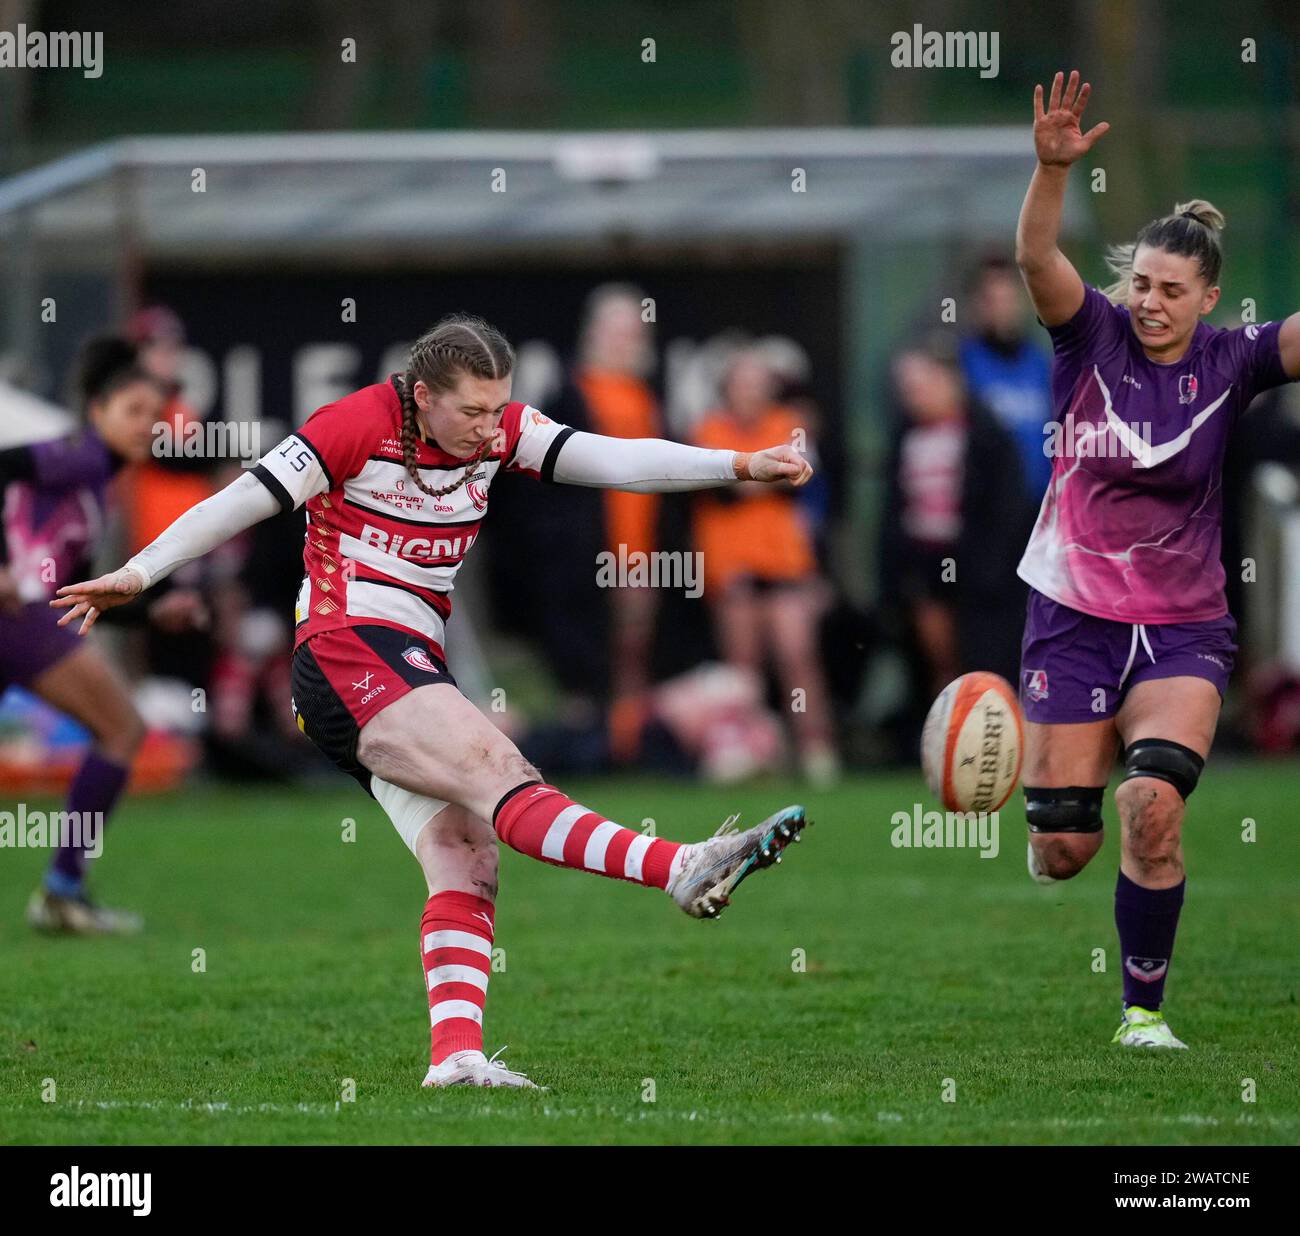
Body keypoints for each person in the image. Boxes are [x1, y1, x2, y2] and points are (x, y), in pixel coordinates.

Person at [53, 315, 816, 1090]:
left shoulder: (497, 432)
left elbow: (618, 459)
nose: (491, 429)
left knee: (465, 850)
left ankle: (455, 1058)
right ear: (422, 396)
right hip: (346, 647)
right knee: (497, 764)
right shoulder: (355, 424)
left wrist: (743, 465)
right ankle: (680, 866)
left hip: (408, 660)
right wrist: (139, 574)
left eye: (500, 410)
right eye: (473, 412)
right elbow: (242, 501)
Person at [1014, 71, 1300, 1048]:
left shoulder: (1232, 360)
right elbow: (1035, 253)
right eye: (1138, 281)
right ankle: (1050, 824)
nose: (1148, 301)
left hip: (1183, 629)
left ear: (1208, 297)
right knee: (1062, 847)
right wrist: (1052, 170)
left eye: (1171, 290)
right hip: (1072, 619)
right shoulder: (1086, 334)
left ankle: (1142, 1010)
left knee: (1149, 802)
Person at [0, 337, 203, 933]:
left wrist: (148, 611)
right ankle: (63, 891)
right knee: (121, 728)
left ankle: (65, 891)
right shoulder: (78, 458)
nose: (147, 426)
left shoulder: (94, 482)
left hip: (29, 619)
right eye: (133, 412)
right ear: (97, 411)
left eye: (154, 414)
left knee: (119, 729)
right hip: (17, 619)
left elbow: (75, 593)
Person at [692, 347, 839, 784]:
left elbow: (793, 483)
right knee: (743, 669)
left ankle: (817, 750)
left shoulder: (787, 426)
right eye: (742, 382)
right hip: (732, 565)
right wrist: (760, 476)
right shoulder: (709, 428)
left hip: (786, 564)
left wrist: (743, 476)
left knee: (797, 656)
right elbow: (717, 489)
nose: (750, 391)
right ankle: (755, 754)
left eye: (758, 382)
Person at [959, 256, 1054, 498]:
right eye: (992, 300)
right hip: (987, 505)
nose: (1002, 309)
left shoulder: (1039, 363)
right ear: (976, 304)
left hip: (1037, 502)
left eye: (1008, 299)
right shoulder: (962, 364)